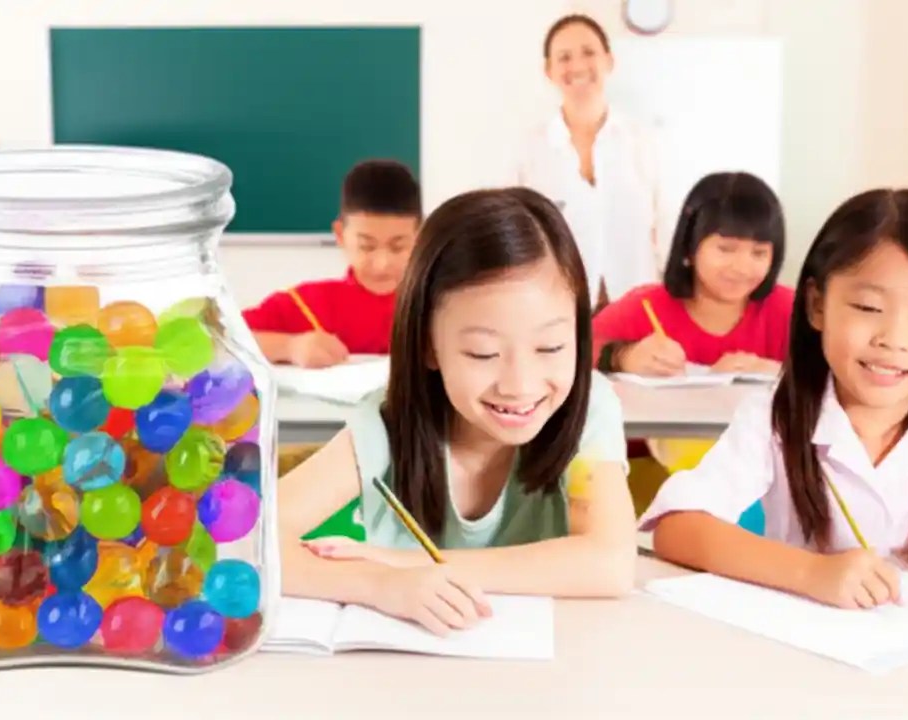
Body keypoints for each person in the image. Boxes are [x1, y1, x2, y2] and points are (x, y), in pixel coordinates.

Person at [644, 188, 908, 656]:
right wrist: (812, 573)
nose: (893, 339)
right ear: (816, 306)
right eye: (868, 308)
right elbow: (678, 527)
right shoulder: (775, 420)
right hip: (804, 665)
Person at [279, 188, 635, 635]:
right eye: (483, 353)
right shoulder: (388, 424)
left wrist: (402, 564)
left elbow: (611, 562)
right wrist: (381, 585)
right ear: (429, 344)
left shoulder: (588, 409)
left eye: (551, 347)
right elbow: (246, 545)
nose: (520, 385)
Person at [515, 14, 663, 308]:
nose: (578, 66)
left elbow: (667, 230)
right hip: (556, 308)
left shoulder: (643, 142)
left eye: (589, 52)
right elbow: (514, 232)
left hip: (639, 308)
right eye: (564, 57)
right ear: (549, 70)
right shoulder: (530, 148)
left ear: (609, 60)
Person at [593, 172, 792, 376]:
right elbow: (578, 348)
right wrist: (622, 357)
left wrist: (782, 373)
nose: (742, 268)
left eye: (759, 253)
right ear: (689, 247)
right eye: (725, 249)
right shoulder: (645, 307)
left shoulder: (790, 311)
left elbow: (823, 373)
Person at [243, 159, 421, 368]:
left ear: (420, 235)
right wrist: (289, 347)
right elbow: (214, 339)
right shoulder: (309, 304)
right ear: (340, 235)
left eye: (398, 247)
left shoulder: (439, 304)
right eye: (367, 246)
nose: (382, 264)